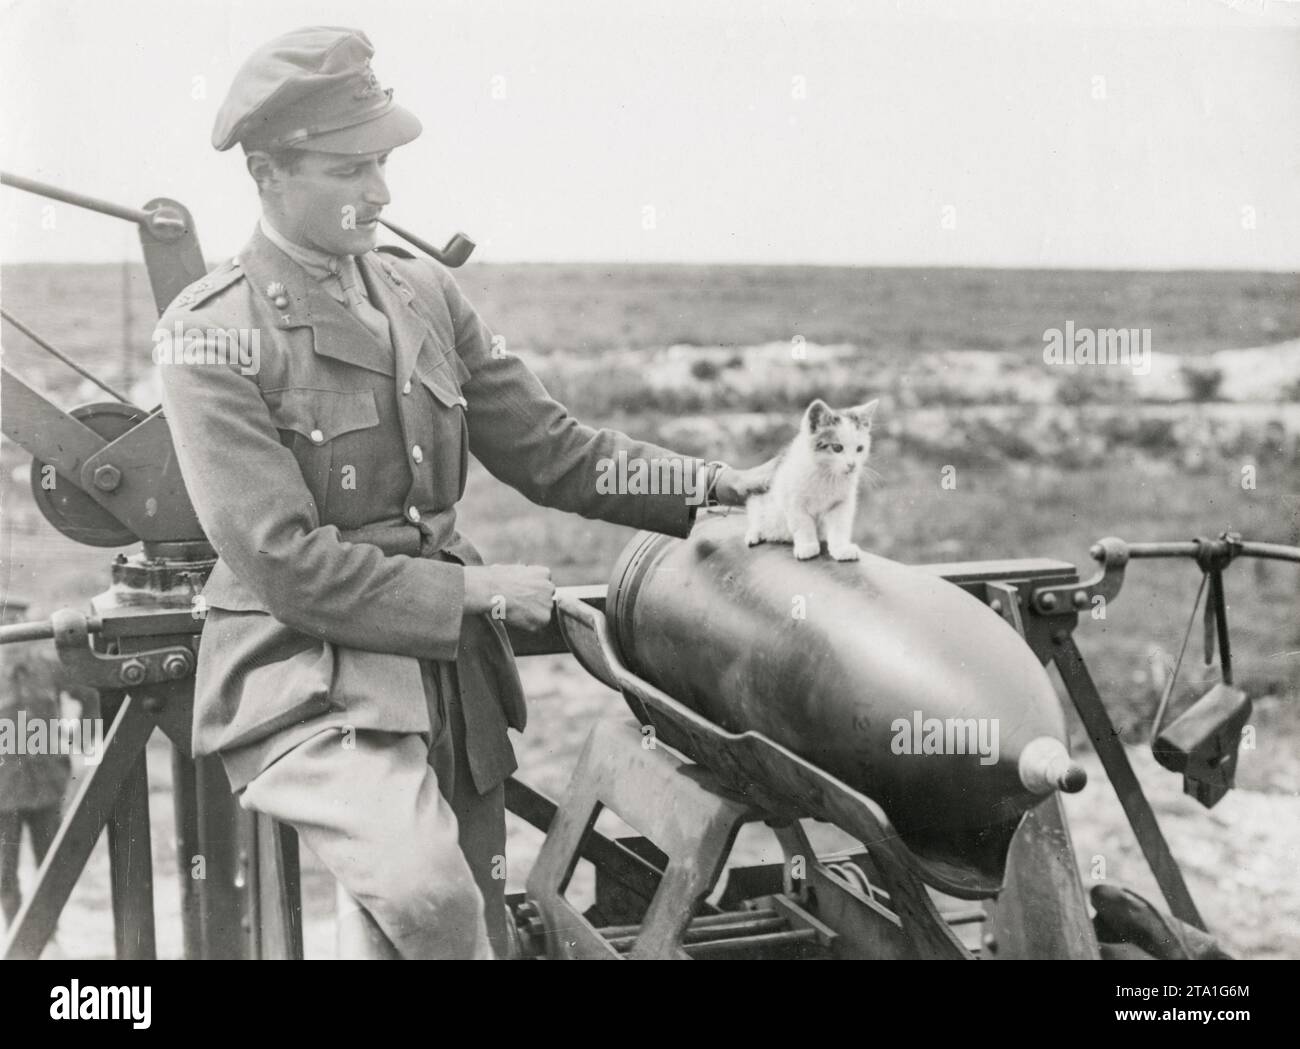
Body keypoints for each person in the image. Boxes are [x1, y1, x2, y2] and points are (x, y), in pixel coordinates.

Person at [155, 26, 769, 959]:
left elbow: (554, 449)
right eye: (351, 167)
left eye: (386, 161)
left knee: (465, 915)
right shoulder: (210, 333)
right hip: (306, 679)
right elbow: (284, 563)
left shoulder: (422, 293)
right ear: (269, 171)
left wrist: (722, 488)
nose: (383, 191)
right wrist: (478, 591)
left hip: (449, 680)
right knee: (426, 896)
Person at [0, 598, 94, 936]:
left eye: (17, 623)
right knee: (3, 875)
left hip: (47, 785)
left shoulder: (47, 666)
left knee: (52, 866)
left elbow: (88, 694)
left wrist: (83, 742)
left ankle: (46, 936)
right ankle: (18, 942)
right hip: (2, 794)